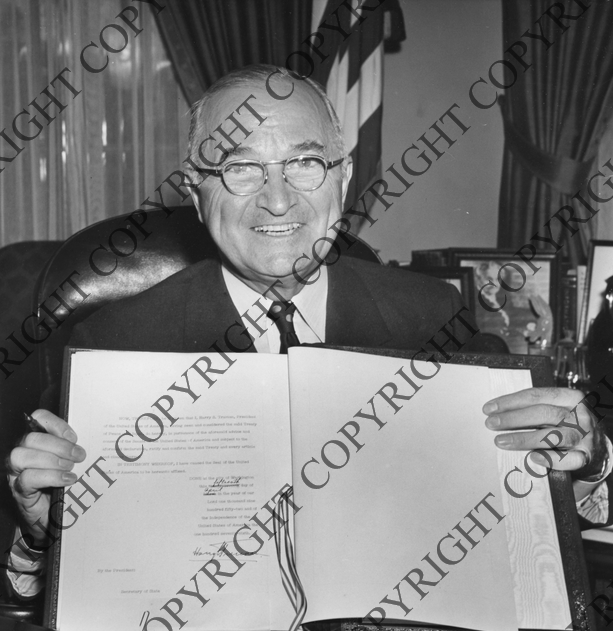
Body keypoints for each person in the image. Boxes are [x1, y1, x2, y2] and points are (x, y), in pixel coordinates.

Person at [5, 65, 611, 597]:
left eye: (304, 163)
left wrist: (586, 461)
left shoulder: (430, 317)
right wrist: (40, 538)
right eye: (240, 167)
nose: (277, 200)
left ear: (342, 179)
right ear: (196, 190)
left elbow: (518, 517)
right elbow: (52, 602)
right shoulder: (113, 348)